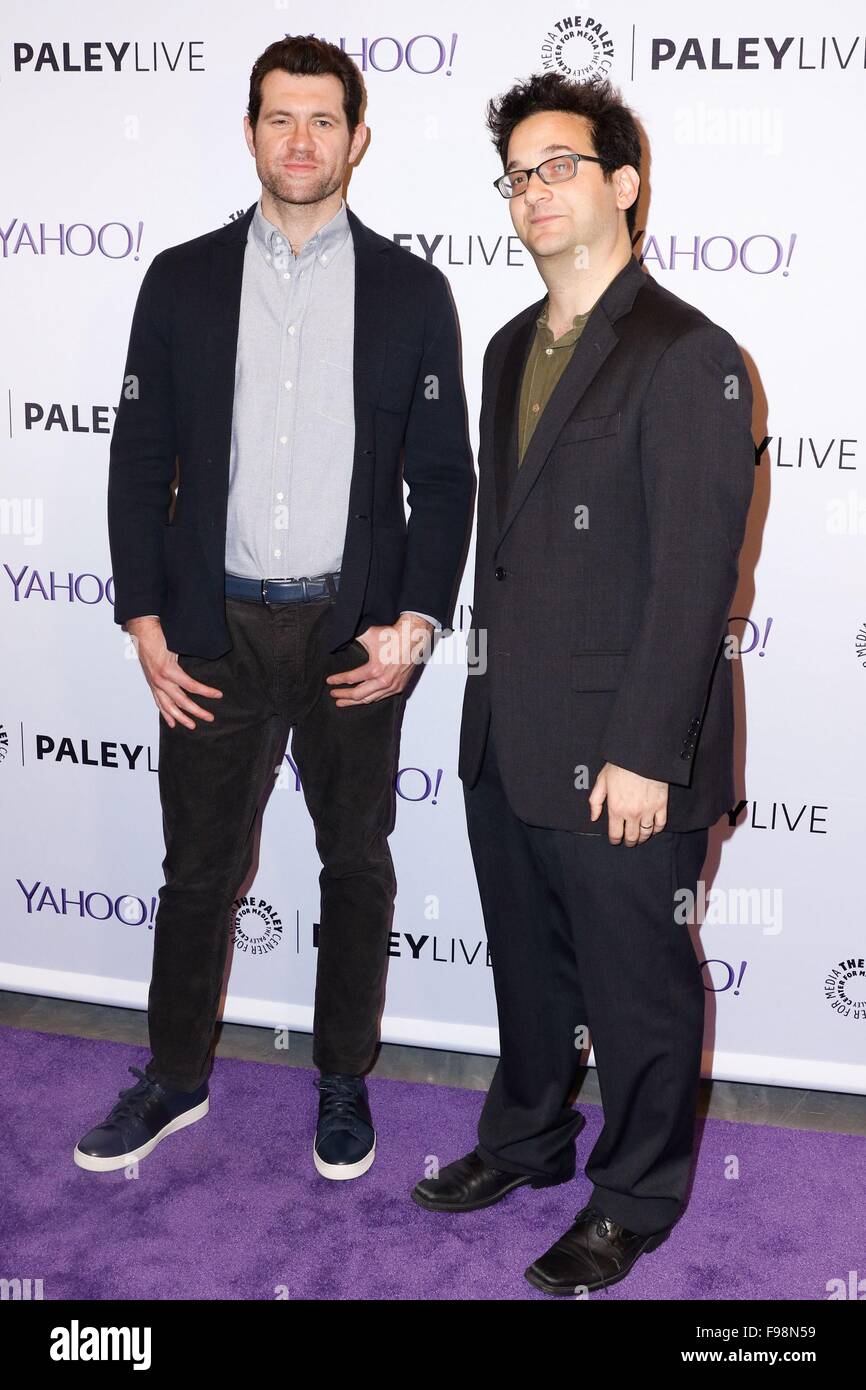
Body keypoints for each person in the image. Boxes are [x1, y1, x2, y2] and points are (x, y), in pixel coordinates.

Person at [76, 35, 473, 1182]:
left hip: (350, 631)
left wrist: (411, 623)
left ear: (356, 137)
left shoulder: (410, 290)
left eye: (322, 120)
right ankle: (174, 1073)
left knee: (356, 861)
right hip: (212, 630)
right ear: (249, 131)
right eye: (278, 118)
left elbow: (441, 480)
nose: (300, 140)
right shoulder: (182, 279)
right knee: (197, 869)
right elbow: (137, 456)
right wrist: (144, 623)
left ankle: (342, 1077)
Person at [411, 72, 755, 1296]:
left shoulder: (689, 354)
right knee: (527, 969)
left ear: (623, 183)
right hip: (508, 730)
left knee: (634, 988)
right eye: (516, 174)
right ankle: (524, 1138)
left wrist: (645, 752)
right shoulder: (507, 344)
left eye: (559, 165)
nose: (533, 191)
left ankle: (634, 1197)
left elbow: (690, 575)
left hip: (623, 752)